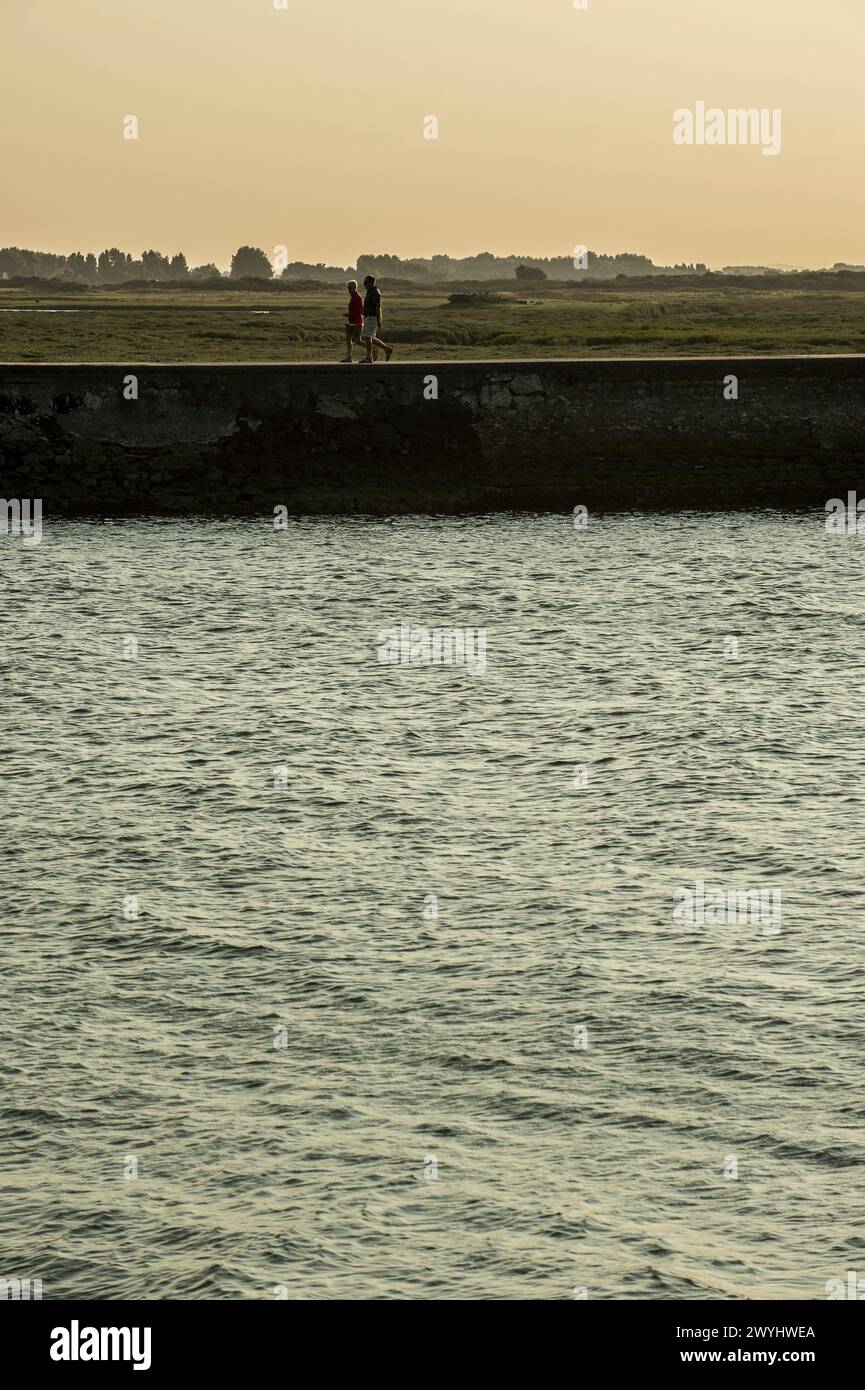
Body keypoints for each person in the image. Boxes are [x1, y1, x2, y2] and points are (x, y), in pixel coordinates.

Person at [359, 275, 394, 363]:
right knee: (371, 337)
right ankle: (387, 349)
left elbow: (377, 307)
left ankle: (369, 357)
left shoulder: (375, 292)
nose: (364, 284)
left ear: (371, 283)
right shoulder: (370, 291)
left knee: (367, 337)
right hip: (369, 317)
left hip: (372, 317)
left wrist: (379, 319)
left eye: (365, 282)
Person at [342, 280, 364, 362]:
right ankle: (349, 357)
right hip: (351, 322)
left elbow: (359, 311)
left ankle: (372, 348)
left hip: (357, 322)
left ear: (355, 287)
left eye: (349, 287)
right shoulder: (352, 296)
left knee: (357, 340)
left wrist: (349, 314)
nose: (348, 289)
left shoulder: (357, 297)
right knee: (348, 339)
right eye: (348, 288)